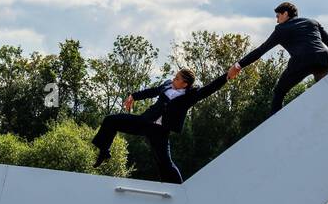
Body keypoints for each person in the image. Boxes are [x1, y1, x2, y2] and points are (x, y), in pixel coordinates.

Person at [91, 68, 228, 183]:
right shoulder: (167, 85)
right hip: (144, 122)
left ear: (185, 84)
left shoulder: (190, 96)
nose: (173, 79)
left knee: (165, 164)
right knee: (111, 120)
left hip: (160, 132)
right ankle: (104, 151)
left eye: (177, 78)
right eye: (175, 77)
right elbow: (151, 91)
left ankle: (179, 188)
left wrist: (227, 76)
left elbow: (211, 88)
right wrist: (133, 96)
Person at [227, 1, 328, 115]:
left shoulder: (281, 29)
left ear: (285, 14)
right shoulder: (313, 23)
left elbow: (261, 50)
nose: (277, 20)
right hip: (322, 58)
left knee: (279, 92)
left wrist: (238, 66)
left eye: (277, 16)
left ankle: (275, 124)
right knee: (327, 87)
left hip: (301, 61)